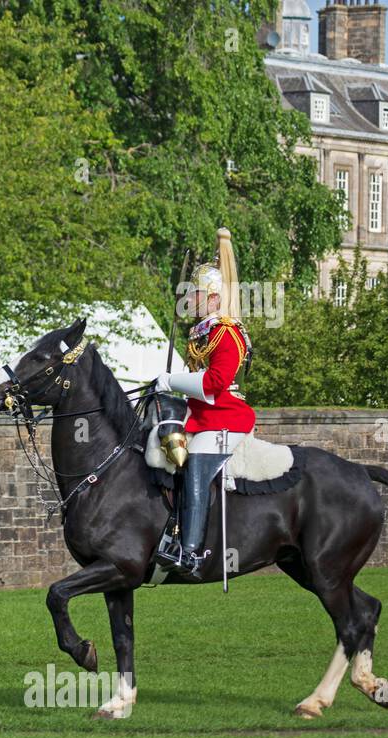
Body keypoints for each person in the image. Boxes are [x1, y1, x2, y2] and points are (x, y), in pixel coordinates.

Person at [153, 227, 254, 579]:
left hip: (227, 419)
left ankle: (191, 552)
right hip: (202, 418)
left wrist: (169, 380)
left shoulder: (226, 332)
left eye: (196, 294)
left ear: (213, 298)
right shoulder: (204, 332)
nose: (190, 299)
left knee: (194, 464)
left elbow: (214, 385)